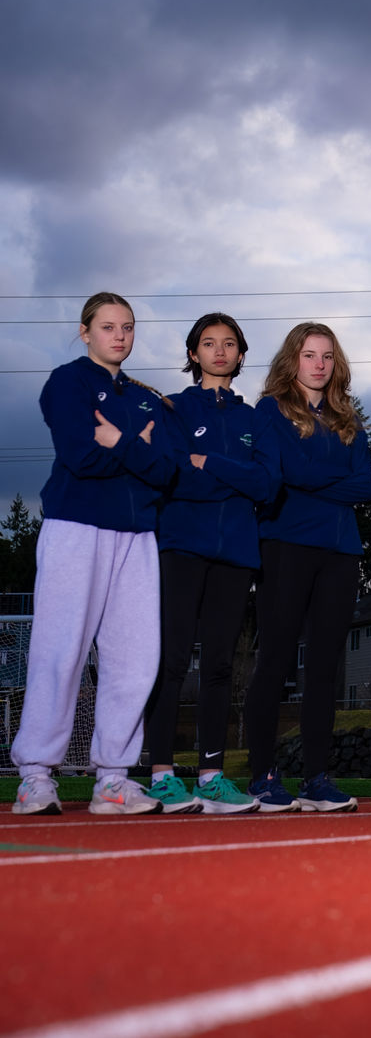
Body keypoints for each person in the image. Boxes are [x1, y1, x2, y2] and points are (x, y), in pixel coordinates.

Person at [11, 293, 175, 816]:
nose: (120, 335)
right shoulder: (68, 381)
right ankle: (36, 775)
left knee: (134, 660)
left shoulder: (148, 398)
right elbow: (80, 455)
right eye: (108, 327)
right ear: (86, 332)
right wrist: (139, 450)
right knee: (60, 651)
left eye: (127, 326)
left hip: (137, 535)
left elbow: (166, 471)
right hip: (76, 527)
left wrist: (120, 442)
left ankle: (113, 779)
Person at [242, 322, 371, 813]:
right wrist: (330, 477)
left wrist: (311, 480)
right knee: (274, 661)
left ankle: (317, 778)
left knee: (324, 669)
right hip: (285, 545)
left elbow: (366, 487)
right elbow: (282, 476)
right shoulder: (270, 410)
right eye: (309, 354)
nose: (319, 364)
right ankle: (263, 776)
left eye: (327, 356)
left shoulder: (348, 419)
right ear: (292, 360)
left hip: (340, 551)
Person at [143, 312, 269, 815]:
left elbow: (265, 484)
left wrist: (208, 463)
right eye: (209, 343)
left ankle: (213, 777)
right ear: (193, 353)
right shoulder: (173, 409)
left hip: (236, 551)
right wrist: (227, 475)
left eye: (229, 343)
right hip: (182, 546)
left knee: (220, 665)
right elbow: (173, 476)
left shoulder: (255, 416)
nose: (220, 351)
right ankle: (162, 775)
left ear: (241, 354)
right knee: (172, 662)